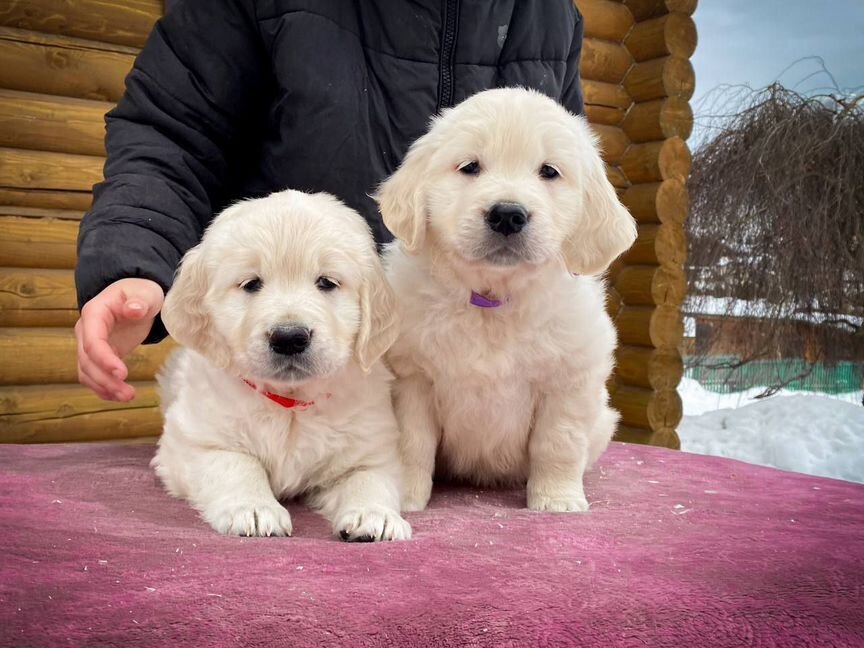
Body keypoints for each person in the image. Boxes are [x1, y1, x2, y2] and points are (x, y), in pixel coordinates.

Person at [75, 0, 586, 402]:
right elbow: (175, 133)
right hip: (291, 387)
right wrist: (136, 260)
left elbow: (565, 174)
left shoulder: (548, 12)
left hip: (464, 393)